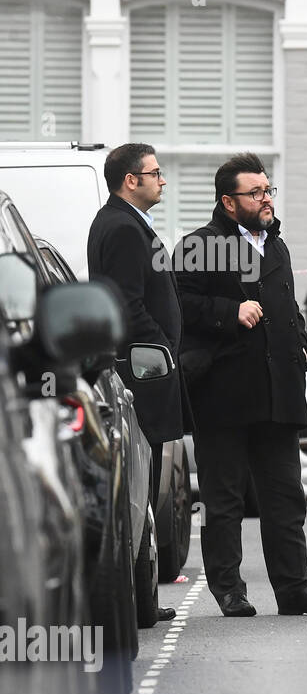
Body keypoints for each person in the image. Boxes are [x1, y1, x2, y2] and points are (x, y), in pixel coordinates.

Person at [175, 153, 307, 618]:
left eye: (268, 189)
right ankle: (230, 590)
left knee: (285, 498)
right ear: (228, 202)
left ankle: (295, 588)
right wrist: (227, 313)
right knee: (225, 499)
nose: (266, 198)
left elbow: (287, 307)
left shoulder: (276, 246)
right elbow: (179, 306)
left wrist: (303, 346)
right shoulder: (200, 245)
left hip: (279, 391)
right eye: (255, 192)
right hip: (223, 395)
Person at [87, 142, 185, 624]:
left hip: (145, 366)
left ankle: (141, 595)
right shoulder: (123, 228)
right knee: (140, 488)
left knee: (144, 488)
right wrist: (161, 345)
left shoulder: (125, 222)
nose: (162, 180)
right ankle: (138, 598)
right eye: (155, 173)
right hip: (141, 373)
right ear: (132, 180)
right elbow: (127, 303)